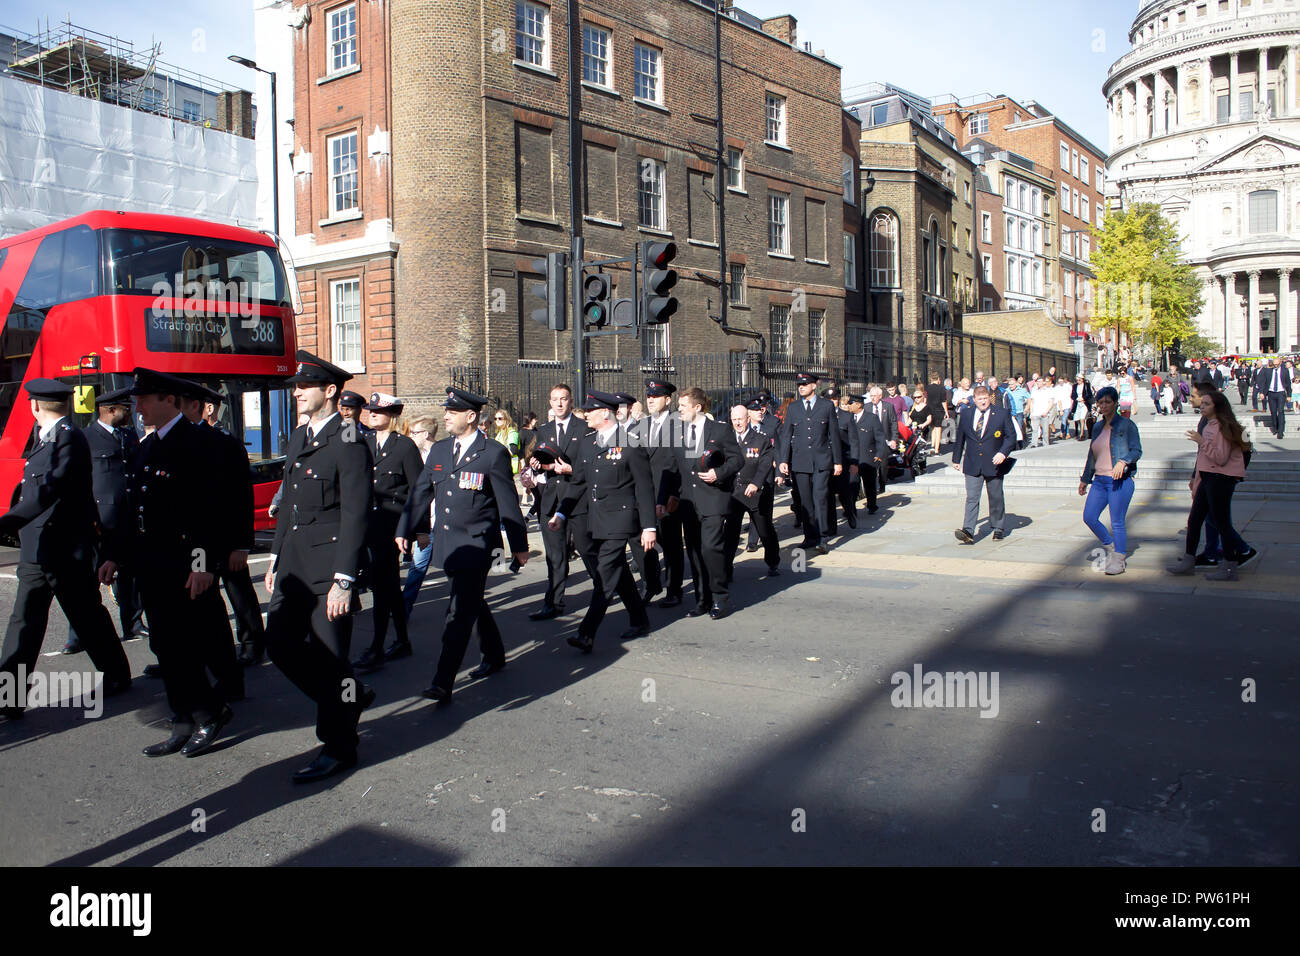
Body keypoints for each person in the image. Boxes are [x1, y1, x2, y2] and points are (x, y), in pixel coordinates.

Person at [264, 351, 374, 783]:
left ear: (329, 391)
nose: (297, 393)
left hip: (329, 569)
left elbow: (356, 514)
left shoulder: (348, 439)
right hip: (294, 565)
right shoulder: (299, 437)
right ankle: (348, 700)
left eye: (304, 386)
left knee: (331, 661)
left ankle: (340, 745)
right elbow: (288, 503)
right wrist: (275, 557)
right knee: (280, 645)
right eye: (295, 387)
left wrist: (345, 580)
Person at [0, 380, 132, 720]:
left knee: (86, 616)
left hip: (65, 550)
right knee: (24, 623)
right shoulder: (50, 439)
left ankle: (117, 675)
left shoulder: (68, 439)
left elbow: (50, 490)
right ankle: (8, 700)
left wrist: (5, 522)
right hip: (38, 550)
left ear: (33, 407)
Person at [396, 387, 528, 695]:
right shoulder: (441, 451)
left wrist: (519, 546)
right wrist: (405, 528)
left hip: (478, 545)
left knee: (456, 613)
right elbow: (420, 493)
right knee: (472, 602)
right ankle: (494, 655)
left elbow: (508, 504)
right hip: (447, 544)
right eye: (446, 411)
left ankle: (442, 681)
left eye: (452, 412)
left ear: (470, 417)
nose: (445, 415)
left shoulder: (492, 452)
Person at [548, 391, 654, 651]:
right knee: (619, 573)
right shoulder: (588, 443)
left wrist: (649, 527)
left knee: (605, 573)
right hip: (597, 520)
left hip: (621, 518)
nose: (585, 415)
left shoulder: (630, 443)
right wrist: (562, 512)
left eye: (590, 411)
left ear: (605, 413)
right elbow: (578, 483)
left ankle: (586, 633)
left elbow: (644, 487)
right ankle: (639, 619)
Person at [194, 387, 266, 669]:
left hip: (226, 537)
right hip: (200, 539)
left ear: (207, 408)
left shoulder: (225, 443)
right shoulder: (183, 441)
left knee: (239, 592)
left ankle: (252, 644)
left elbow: (241, 496)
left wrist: (241, 544)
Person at [352, 393, 423, 673]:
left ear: (391, 416)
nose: (371, 415)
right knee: (390, 586)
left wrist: (420, 530)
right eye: (369, 411)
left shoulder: (404, 447)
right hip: (368, 525)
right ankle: (403, 640)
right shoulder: (364, 443)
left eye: (377, 412)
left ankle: (377, 647)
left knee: (382, 588)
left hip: (392, 528)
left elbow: (419, 491)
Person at [659, 387, 743, 617]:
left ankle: (720, 597)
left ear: (697, 407)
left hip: (713, 498)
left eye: (683, 406)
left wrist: (720, 473)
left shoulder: (720, 429)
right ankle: (702, 599)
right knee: (695, 552)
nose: (679, 410)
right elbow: (670, 468)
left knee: (710, 548)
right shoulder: (677, 432)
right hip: (688, 500)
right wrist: (663, 499)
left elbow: (737, 459)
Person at [75, 387, 146, 649]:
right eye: (126, 409)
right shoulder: (86, 438)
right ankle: (78, 635)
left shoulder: (128, 436)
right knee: (88, 578)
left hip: (126, 516)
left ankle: (133, 624)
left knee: (130, 575)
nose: (131, 413)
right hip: (100, 518)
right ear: (111, 411)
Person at [1167, 390, 1252, 581]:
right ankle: (1189, 561)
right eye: (1202, 403)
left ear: (1217, 407)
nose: (1202, 406)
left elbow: (1220, 458)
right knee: (1195, 520)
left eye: (1206, 404)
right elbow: (1204, 461)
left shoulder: (1221, 427)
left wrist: (1201, 441)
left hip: (1220, 479)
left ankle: (1230, 566)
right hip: (1208, 478)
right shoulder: (1209, 426)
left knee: (1222, 523)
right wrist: (1197, 481)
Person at [528, 384, 586, 621]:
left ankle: (611, 590)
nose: (559, 403)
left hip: (577, 497)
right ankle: (553, 602)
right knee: (555, 555)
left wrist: (571, 469)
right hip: (551, 499)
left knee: (589, 551)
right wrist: (533, 469)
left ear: (570, 401)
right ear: (549, 403)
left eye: (563, 399)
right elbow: (542, 462)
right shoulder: (543, 430)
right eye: (555, 400)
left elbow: (589, 464)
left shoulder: (583, 428)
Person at [776, 372, 843, 555]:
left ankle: (822, 536)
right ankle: (810, 536)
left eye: (805, 384)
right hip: (800, 461)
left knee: (820, 497)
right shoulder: (794, 408)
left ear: (814, 386)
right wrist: (783, 460)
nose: (801, 387)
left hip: (821, 460)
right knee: (805, 501)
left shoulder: (826, 406)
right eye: (799, 384)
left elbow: (834, 435)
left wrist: (838, 461)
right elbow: (786, 435)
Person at [1077, 387, 1142, 575]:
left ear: (1115, 403)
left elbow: (1137, 450)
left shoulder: (1126, 425)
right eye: (1100, 402)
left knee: (1117, 521)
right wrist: (1085, 479)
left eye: (1107, 402)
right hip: (1099, 480)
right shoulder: (1097, 426)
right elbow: (1092, 454)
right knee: (1089, 516)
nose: (1103, 406)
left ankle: (1119, 559)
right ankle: (1111, 546)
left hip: (1119, 480)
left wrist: (1123, 462)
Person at [638, 379, 686, 606]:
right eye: (648, 396)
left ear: (668, 400)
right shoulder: (641, 425)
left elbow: (680, 464)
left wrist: (674, 494)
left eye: (655, 396)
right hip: (645, 494)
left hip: (667, 494)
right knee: (646, 542)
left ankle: (674, 589)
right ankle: (651, 584)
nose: (650, 400)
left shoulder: (678, 424)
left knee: (671, 544)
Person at [951, 385, 1015, 544]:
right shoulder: (966, 414)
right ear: (974, 400)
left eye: (985, 399)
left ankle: (998, 527)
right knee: (972, 497)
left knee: (995, 496)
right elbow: (960, 437)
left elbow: (1011, 437)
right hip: (972, 463)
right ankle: (968, 530)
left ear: (989, 398)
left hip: (994, 463)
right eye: (979, 399)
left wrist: (1003, 453)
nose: (983, 402)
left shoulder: (1001, 414)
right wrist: (956, 458)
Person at [724, 403, 780, 576]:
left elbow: (765, 464)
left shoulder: (761, 440)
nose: (737, 423)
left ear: (748, 419)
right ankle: (726, 568)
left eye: (740, 419)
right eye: (734, 419)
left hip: (755, 493)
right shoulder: (726, 440)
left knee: (765, 530)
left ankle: (773, 562)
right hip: (734, 494)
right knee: (730, 533)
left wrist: (756, 483)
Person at [402, 416, 438, 618]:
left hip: (440, 520)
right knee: (418, 566)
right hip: (427, 522)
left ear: (426, 434)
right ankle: (404, 607)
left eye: (414, 432)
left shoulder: (441, 454)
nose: (411, 436)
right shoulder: (417, 456)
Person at [849, 391, 887, 515]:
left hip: (868, 456)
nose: (849, 405)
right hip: (853, 458)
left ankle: (871, 505)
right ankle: (851, 507)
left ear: (859, 405)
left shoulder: (872, 418)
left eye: (852, 403)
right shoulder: (848, 418)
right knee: (853, 483)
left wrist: (879, 454)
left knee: (869, 483)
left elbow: (880, 438)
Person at [1256, 357, 1291, 438]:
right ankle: (1275, 427)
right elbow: (1263, 381)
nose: (1275, 366)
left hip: (1281, 393)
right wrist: (1262, 392)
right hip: (1271, 393)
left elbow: (1288, 383)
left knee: (1281, 411)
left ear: (1280, 363)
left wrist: (1289, 395)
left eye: (1277, 364)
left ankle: (1281, 432)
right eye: (1274, 364)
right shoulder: (1268, 371)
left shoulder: (1285, 371)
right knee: (1273, 412)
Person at [908, 387, 936, 454]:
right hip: (913, 430)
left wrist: (923, 425)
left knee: (921, 449)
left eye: (919, 397)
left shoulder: (927, 407)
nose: (917, 399)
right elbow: (910, 419)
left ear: (922, 397)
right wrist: (906, 425)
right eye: (915, 397)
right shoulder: (912, 407)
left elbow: (929, 419)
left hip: (922, 430)